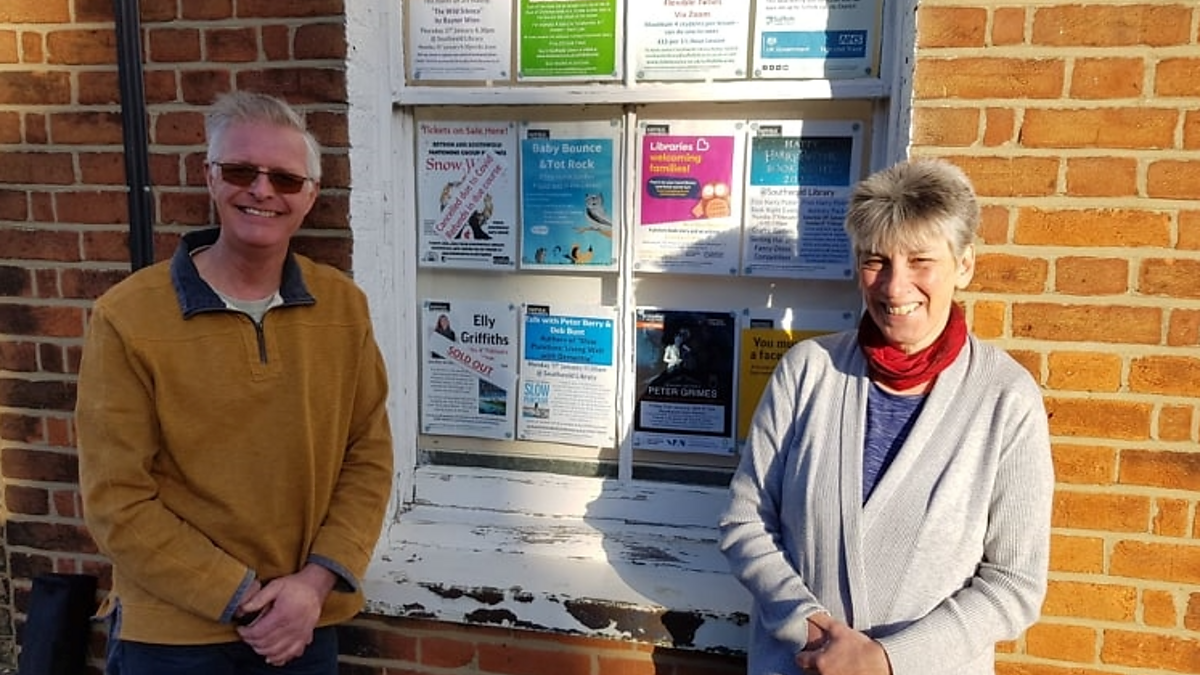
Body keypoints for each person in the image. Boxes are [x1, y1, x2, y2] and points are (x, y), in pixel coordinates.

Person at [76, 91, 395, 674]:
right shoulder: (127, 317)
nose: (262, 190)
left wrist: (313, 584)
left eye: (285, 179)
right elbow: (115, 500)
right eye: (242, 171)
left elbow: (367, 457)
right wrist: (248, 599)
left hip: (303, 622)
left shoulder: (343, 307)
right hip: (174, 637)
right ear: (210, 177)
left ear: (310, 197)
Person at [719, 158, 1054, 675]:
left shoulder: (1005, 398)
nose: (895, 288)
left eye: (921, 260)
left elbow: (1013, 582)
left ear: (964, 264)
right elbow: (746, 521)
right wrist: (812, 630)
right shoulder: (808, 371)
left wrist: (886, 660)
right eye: (877, 261)